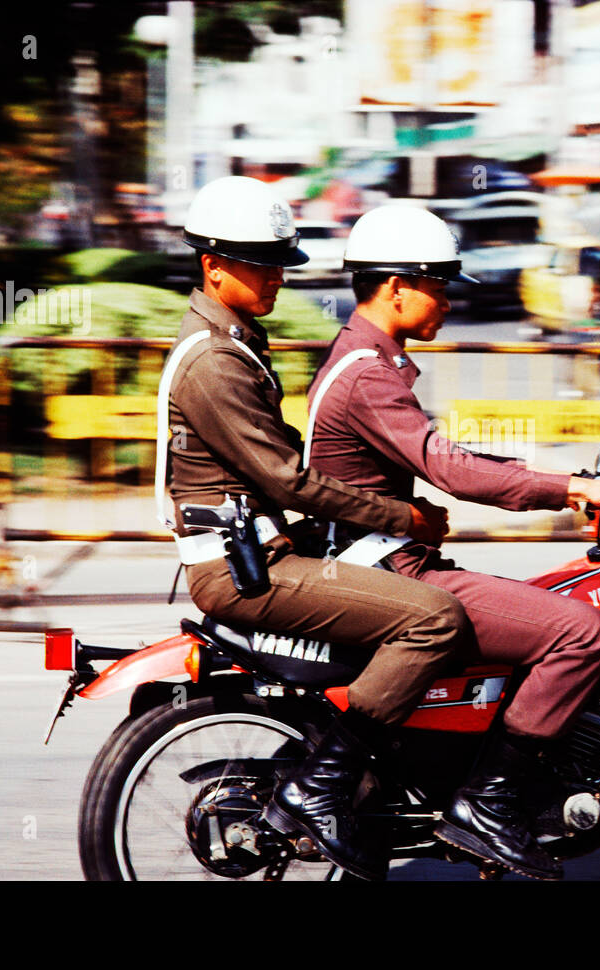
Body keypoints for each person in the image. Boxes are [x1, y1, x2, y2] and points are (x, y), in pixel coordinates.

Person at [304, 204, 600, 880]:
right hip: (391, 577)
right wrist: (578, 488)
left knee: (537, 605)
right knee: (579, 631)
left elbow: (446, 460)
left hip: (383, 564)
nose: (447, 300)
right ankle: (488, 805)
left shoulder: (365, 361)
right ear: (396, 287)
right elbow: (453, 468)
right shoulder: (368, 376)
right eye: (437, 283)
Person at [161, 176, 475, 881]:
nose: (274, 278)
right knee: (435, 619)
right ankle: (320, 788)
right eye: (259, 264)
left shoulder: (234, 342)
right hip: (244, 573)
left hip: (261, 551)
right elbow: (287, 481)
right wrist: (406, 516)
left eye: (278, 263)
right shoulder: (214, 362)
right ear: (213, 266)